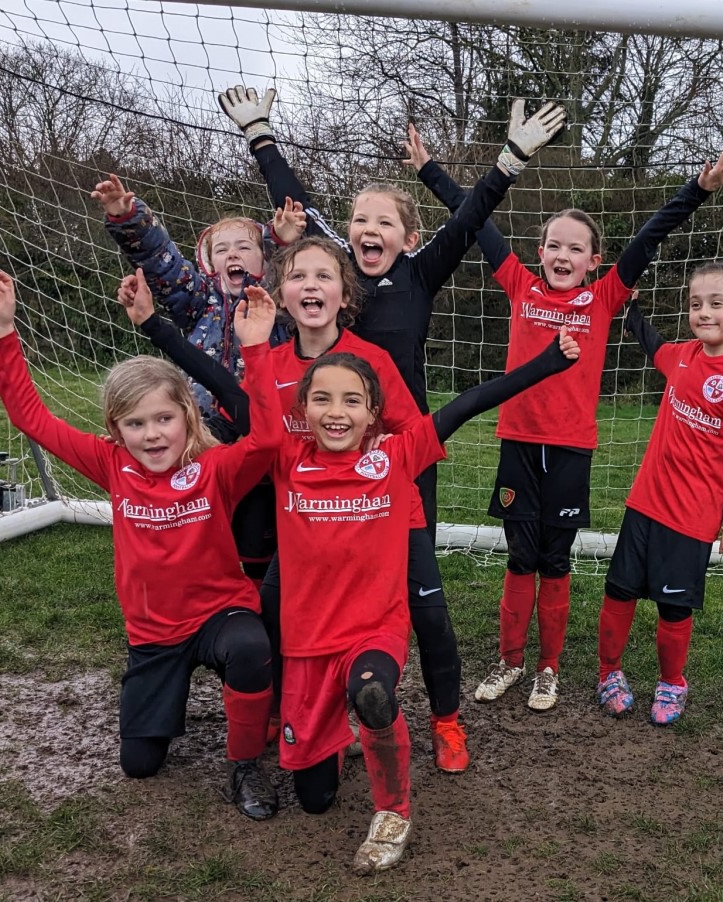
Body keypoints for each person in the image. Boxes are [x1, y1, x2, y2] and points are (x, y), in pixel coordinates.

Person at [217, 85, 566, 758]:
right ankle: (282, 708)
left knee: (425, 604)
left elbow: (467, 221)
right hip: (322, 476)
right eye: (358, 221)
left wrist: (511, 159)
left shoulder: (419, 275)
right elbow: (294, 206)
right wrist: (262, 136)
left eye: (383, 223)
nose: (367, 231)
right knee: (286, 596)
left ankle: (445, 720)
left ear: (406, 239)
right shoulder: (331, 278)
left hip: (398, 469)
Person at [244, 291, 579, 872]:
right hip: (307, 644)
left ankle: (392, 811)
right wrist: (253, 349)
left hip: (372, 631)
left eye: (352, 400)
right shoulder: (286, 460)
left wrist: (548, 361)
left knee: (374, 696)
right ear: (304, 410)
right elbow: (257, 414)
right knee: (314, 799)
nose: (336, 411)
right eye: (321, 399)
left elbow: (470, 403)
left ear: (374, 412)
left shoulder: (395, 455)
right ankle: (333, 740)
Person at [410, 127, 723, 710]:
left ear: (594, 260)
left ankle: (548, 669)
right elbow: (472, 216)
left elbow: (650, 235)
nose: (562, 256)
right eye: (553, 245)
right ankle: (510, 660)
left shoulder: (606, 296)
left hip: (570, 451)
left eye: (575, 248)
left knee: (555, 561)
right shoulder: (519, 284)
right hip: (516, 443)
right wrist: (430, 170)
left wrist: (698, 188)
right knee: (519, 557)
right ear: (541, 253)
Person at [119, 237, 473, 773]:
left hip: (389, 521)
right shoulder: (271, 362)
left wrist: (378, 446)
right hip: (310, 528)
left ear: (343, 294)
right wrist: (153, 326)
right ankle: (293, 713)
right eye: (298, 275)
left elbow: (410, 430)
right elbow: (224, 387)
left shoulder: (371, 360)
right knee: (276, 616)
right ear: (282, 294)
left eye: (324, 276)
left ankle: (446, 723)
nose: (312, 285)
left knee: (430, 620)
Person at [0, 266, 283, 820]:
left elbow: (268, 437)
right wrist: (1, 331)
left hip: (219, 613)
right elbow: (31, 417)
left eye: (164, 418)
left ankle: (244, 766)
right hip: (154, 632)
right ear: (117, 432)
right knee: (140, 764)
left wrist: (256, 350)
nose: (153, 434)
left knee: (251, 647)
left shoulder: (214, 469)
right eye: (136, 424)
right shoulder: (111, 465)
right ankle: (168, 706)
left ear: (187, 419)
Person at [92, 175, 306, 582]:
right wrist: (127, 217)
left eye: (245, 246)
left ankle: (266, 586)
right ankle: (185, 572)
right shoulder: (199, 301)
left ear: (264, 261)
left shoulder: (277, 307)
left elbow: (293, 272)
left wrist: (281, 243)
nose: (233, 254)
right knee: (199, 502)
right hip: (205, 426)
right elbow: (163, 261)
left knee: (261, 522)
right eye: (221, 249)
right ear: (209, 263)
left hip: (261, 426)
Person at [594, 266, 723, 725]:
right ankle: (608, 671)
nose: (703, 311)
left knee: (674, 605)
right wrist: (629, 308)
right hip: (644, 503)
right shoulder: (682, 356)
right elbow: (650, 342)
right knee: (619, 590)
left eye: (716, 303)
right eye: (695, 303)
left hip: (691, 517)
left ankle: (672, 683)